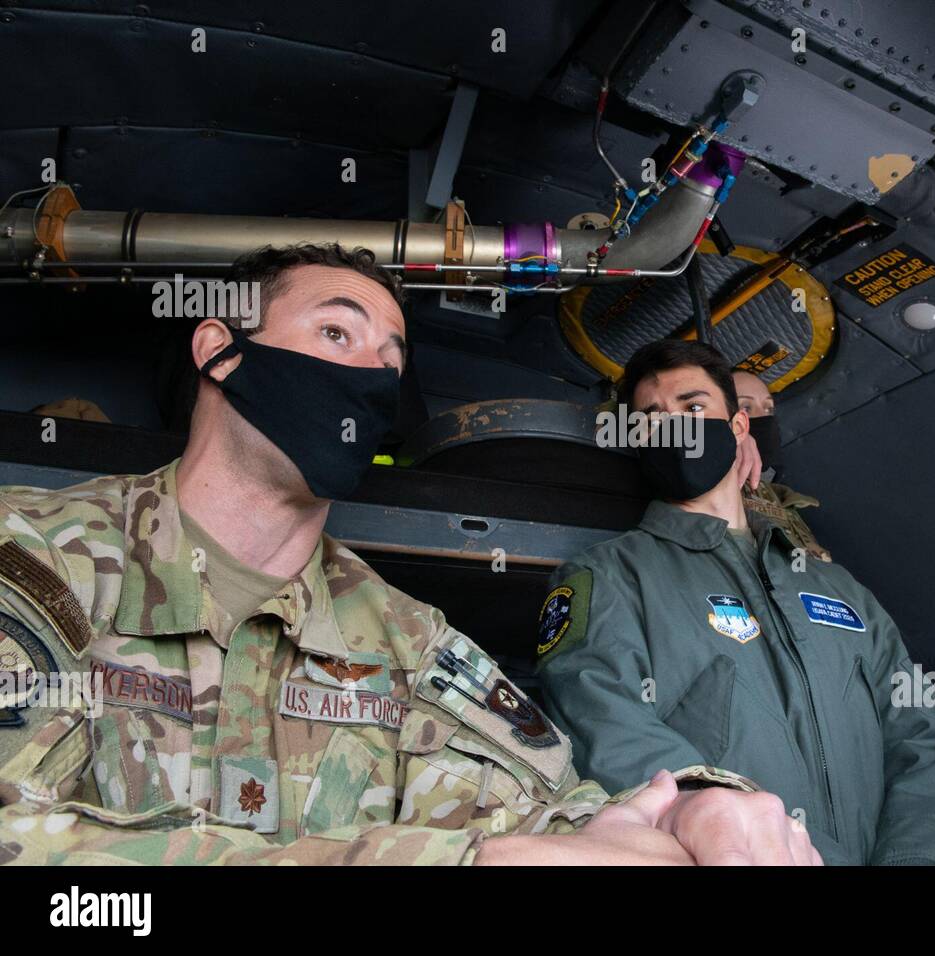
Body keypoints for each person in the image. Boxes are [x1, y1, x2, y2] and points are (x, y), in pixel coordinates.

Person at [0, 245, 820, 866]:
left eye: (390, 363)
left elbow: (556, 811)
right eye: (335, 333)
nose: (371, 376)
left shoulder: (402, 637)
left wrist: (691, 812)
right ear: (221, 350)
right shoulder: (36, 555)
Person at [535, 339, 935, 866]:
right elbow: (607, 728)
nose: (675, 426)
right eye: (652, 417)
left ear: (738, 428)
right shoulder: (608, 575)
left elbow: (926, 738)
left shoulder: (839, 588)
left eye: (694, 406)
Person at [733, 370, 832, 562]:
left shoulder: (783, 500)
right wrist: (722, 438)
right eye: (745, 407)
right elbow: (660, 428)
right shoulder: (703, 483)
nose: (764, 417)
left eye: (768, 409)